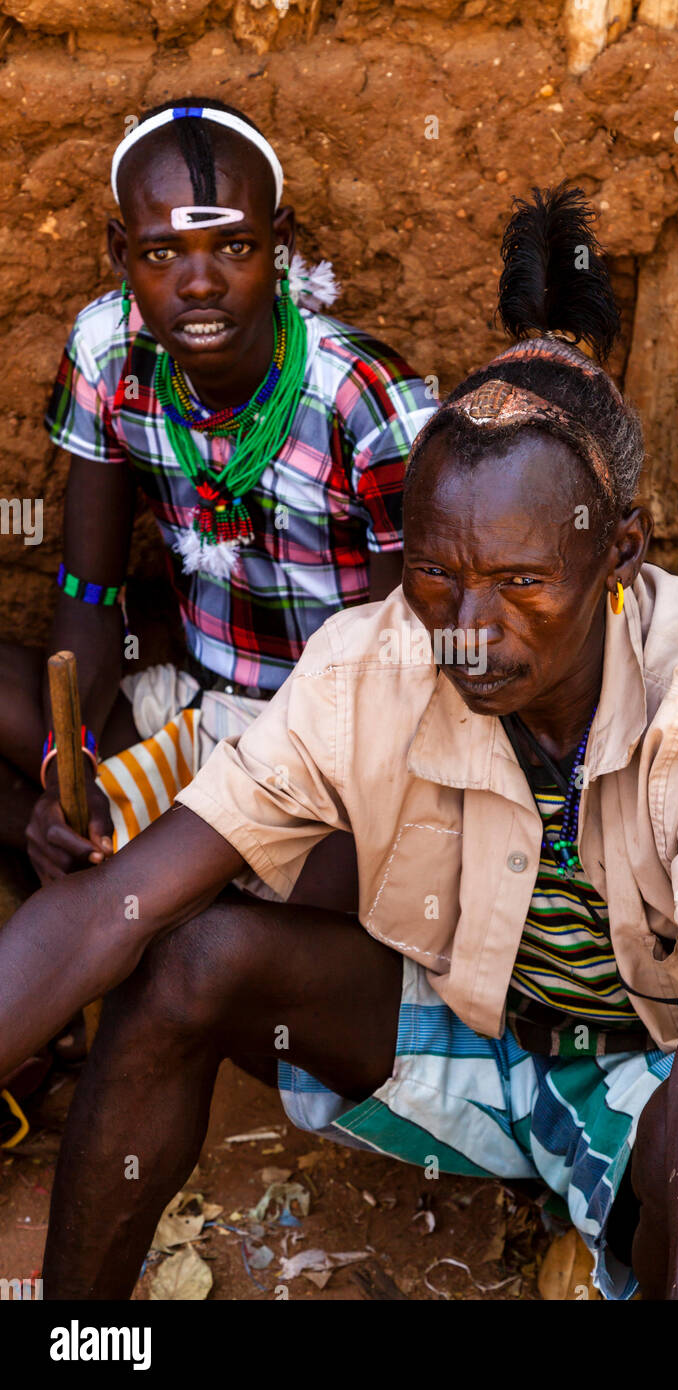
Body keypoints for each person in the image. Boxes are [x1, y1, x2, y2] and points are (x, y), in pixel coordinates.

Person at [1, 184, 678, 1301]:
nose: (469, 633)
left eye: (520, 584)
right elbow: (119, 900)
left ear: (622, 556)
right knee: (190, 953)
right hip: (486, 1037)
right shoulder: (374, 659)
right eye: (437, 575)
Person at [0, 97, 433, 886]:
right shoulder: (109, 351)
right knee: (66, 819)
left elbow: (398, 676)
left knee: (181, 913)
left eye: (234, 245)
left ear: (282, 245)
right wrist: (71, 764)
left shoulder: (364, 400)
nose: (199, 284)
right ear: (120, 251)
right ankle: (101, 850)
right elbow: (88, 592)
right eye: (163, 254)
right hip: (195, 704)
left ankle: (156, 883)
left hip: (330, 751)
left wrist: (244, 799)